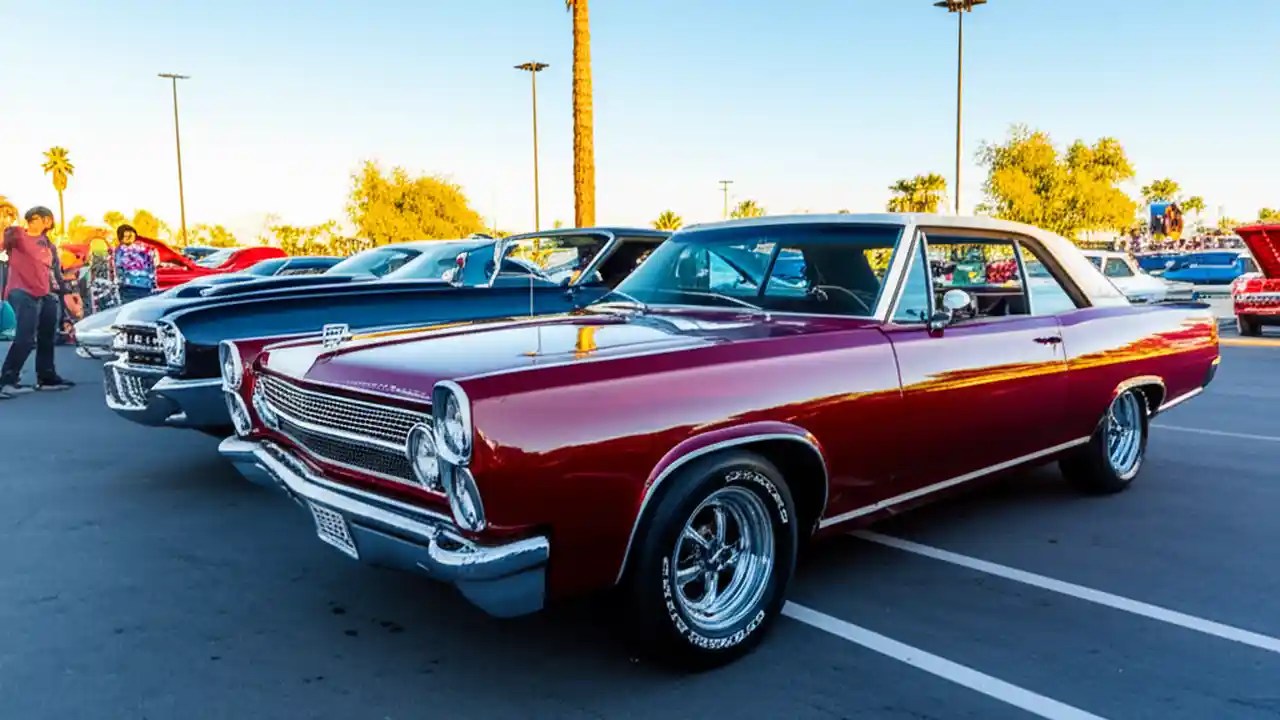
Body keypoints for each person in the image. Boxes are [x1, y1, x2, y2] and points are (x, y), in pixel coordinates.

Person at [1, 207, 75, 398]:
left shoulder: (48, 245)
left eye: (46, 219)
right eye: (36, 218)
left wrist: (65, 293)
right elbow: (3, 243)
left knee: (47, 336)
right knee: (25, 338)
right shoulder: (17, 235)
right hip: (22, 291)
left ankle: (46, 378)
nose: (43, 222)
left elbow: (55, 272)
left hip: (46, 293)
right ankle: (7, 381)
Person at [111, 224, 157, 303]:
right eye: (127, 236)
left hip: (141, 285)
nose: (129, 238)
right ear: (121, 238)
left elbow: (151, 265)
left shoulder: (143, 250)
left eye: (131, 235)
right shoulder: (120, 251)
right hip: (131, 286)